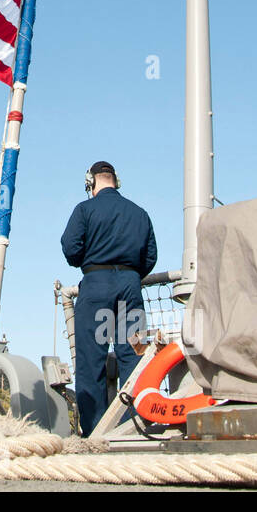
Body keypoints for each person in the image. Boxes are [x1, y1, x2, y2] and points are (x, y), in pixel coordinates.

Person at [61, 160, 157, 435]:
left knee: (91, 362)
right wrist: (128, 275)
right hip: (130, 286)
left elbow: (70, 249)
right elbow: (150, 256)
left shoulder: (84, 209)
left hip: (95, 285)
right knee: (135, 358)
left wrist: (92, 263)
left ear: (91, 183)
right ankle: (133, 429)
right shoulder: (140, 213)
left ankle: (96, 432)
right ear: (116, 181)